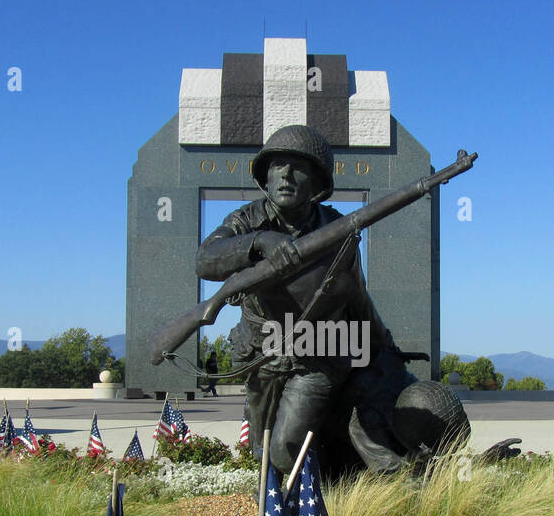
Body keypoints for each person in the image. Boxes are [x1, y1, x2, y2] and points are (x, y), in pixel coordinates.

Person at [196, 124, 466, 475]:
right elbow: (206, 258)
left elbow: (356, 297)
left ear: (318, 182)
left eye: (299, 168)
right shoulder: (247, 220)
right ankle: (274, 514)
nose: (286, 176)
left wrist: (384, 347)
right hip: (260, 354)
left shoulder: (338, 232)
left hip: (316, 354)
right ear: (266, 175)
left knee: (284, 448)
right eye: (278, 166)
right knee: (260, 447)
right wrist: (258, 242)